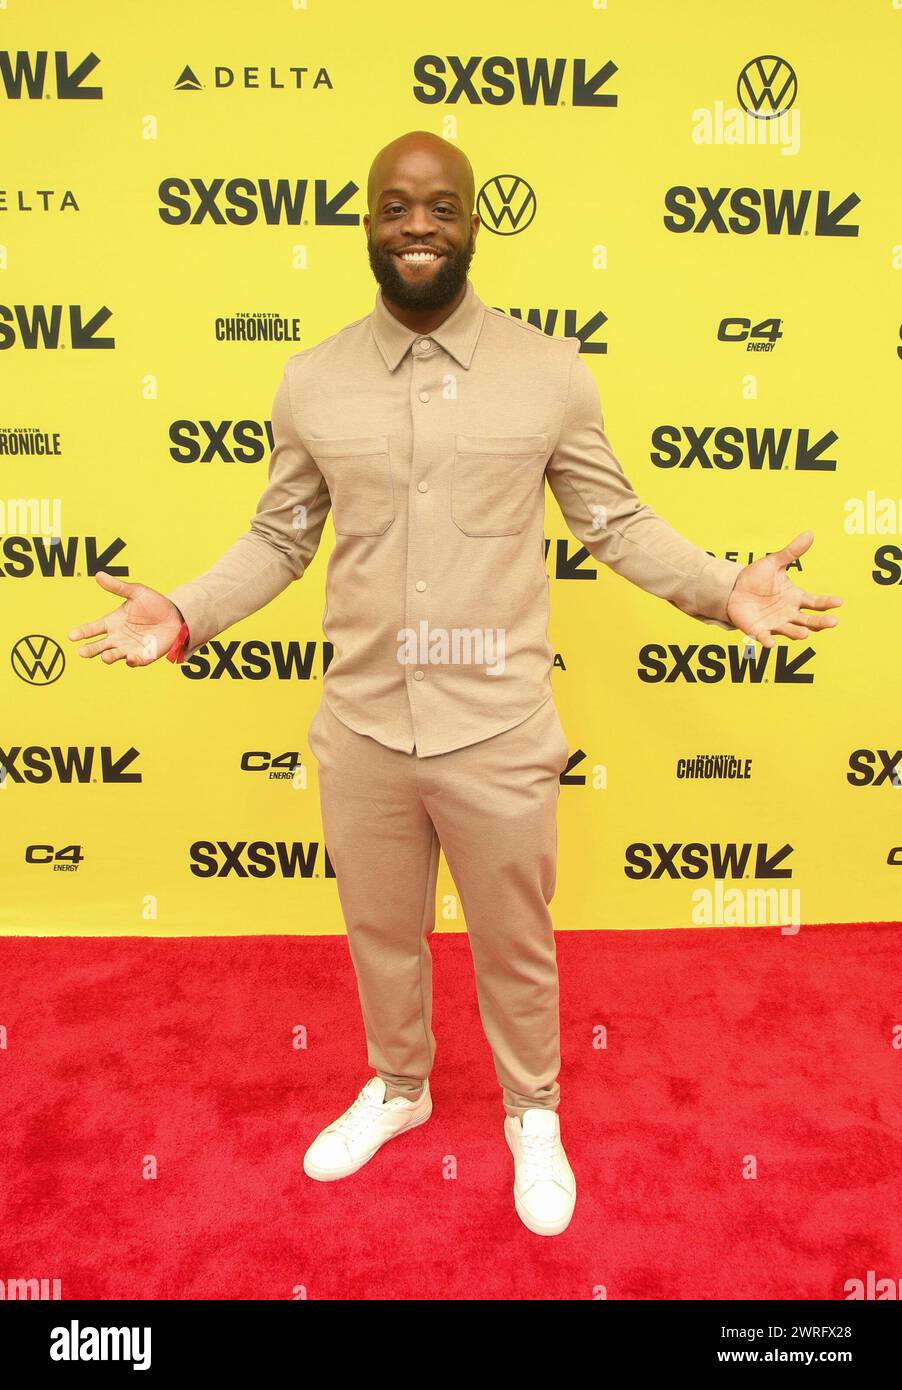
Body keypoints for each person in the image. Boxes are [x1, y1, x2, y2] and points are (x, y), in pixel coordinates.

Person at [68, 130, 843, 1238]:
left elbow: (609, 520)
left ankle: (533, 1111)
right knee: (381, 934)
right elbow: (280, 538)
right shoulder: (311, 379)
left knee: (512, 943)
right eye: (394, 206)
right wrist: (184, 610)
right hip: (365, 729)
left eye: (439, 206)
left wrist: (721, 589)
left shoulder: (549, 372)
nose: (417, 225)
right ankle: (398, 1086)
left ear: (476, 221)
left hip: (497, 726)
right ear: (367, 226)